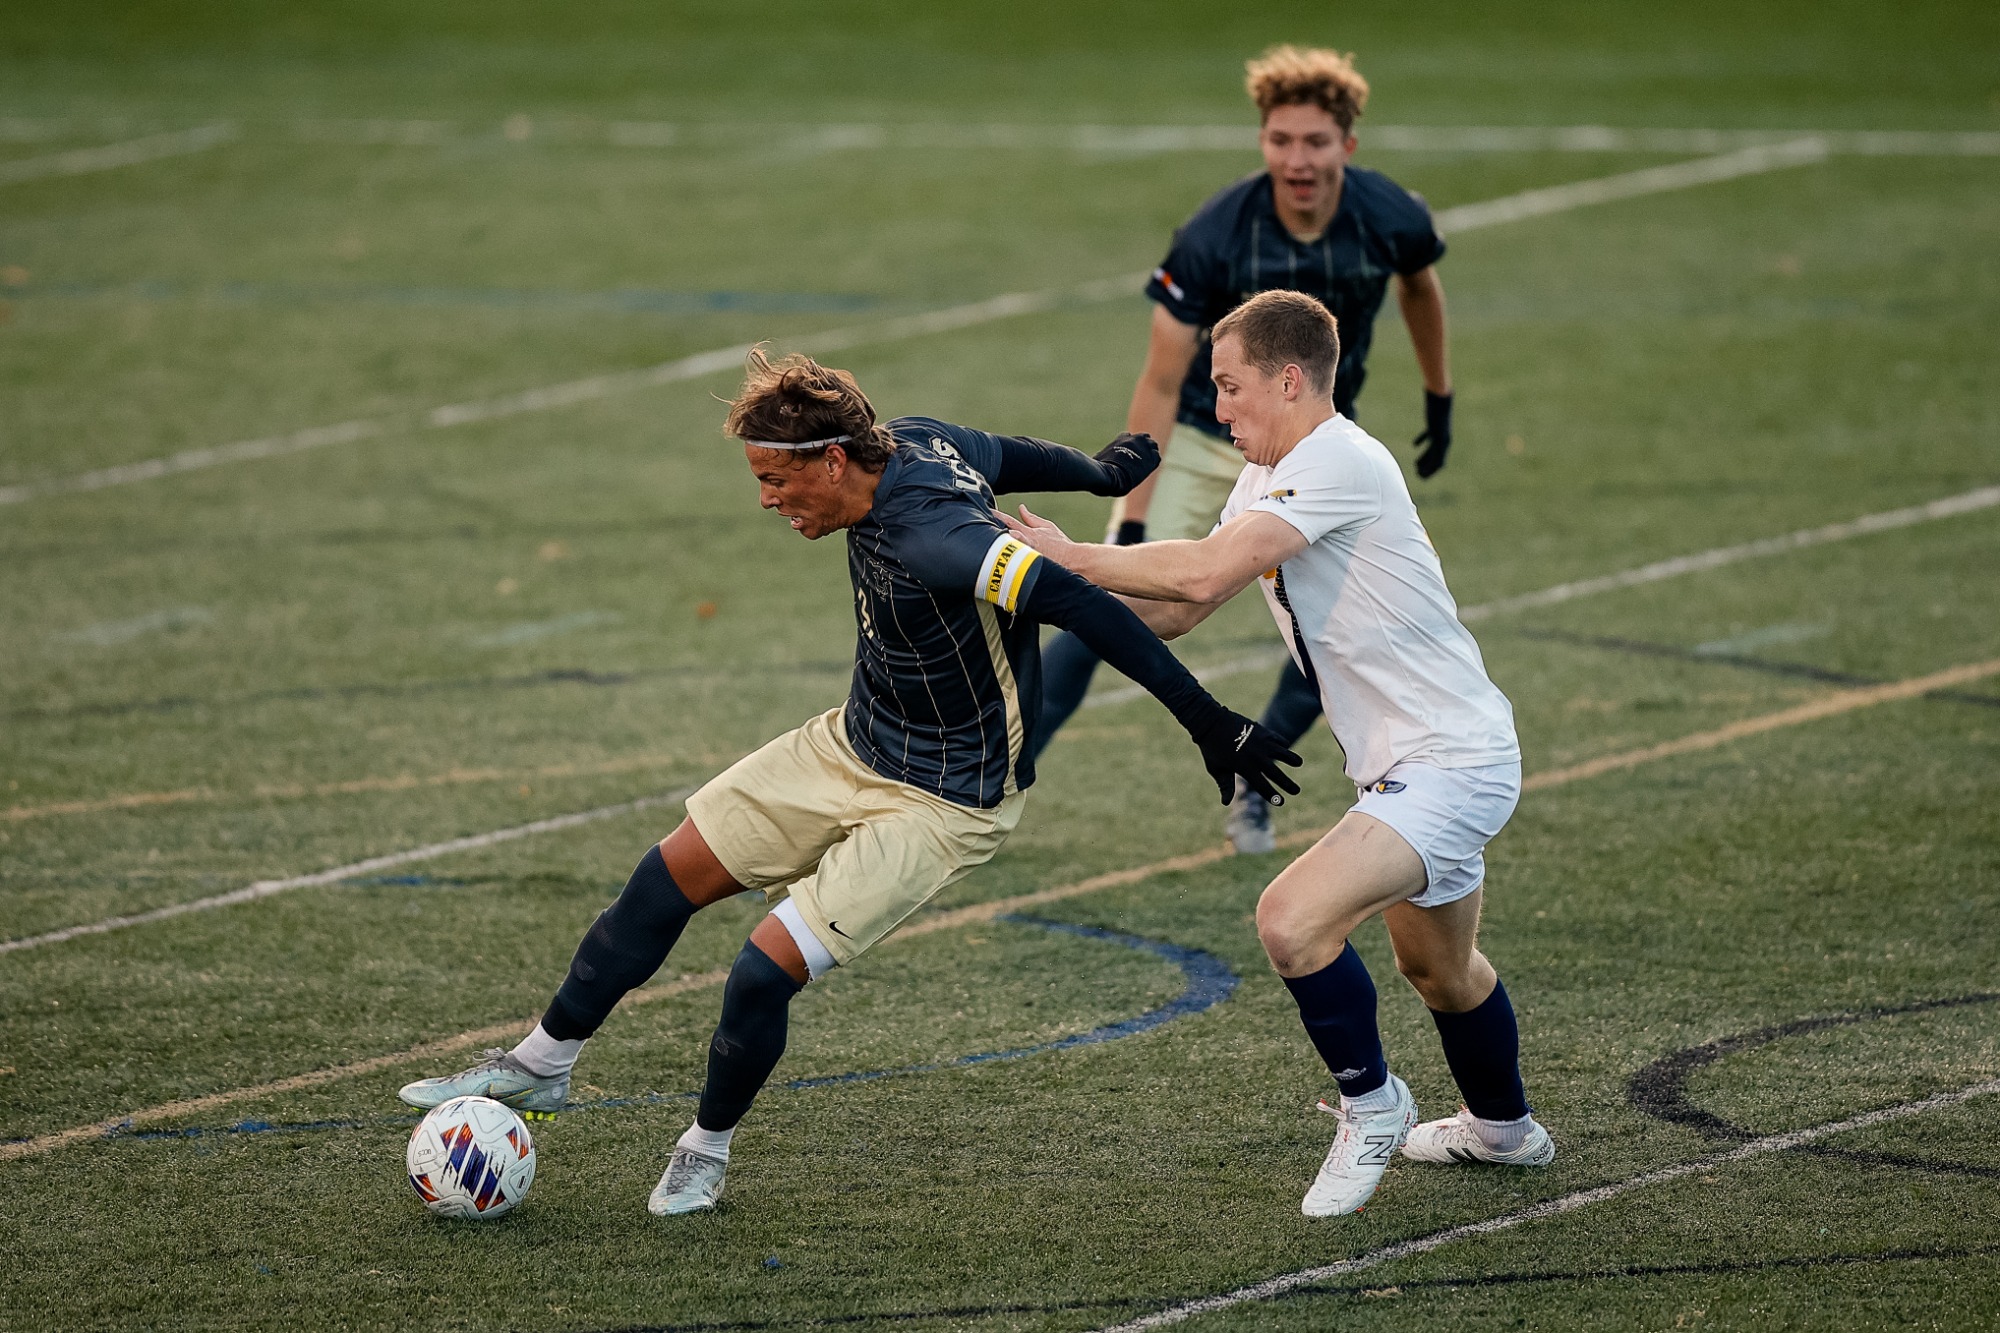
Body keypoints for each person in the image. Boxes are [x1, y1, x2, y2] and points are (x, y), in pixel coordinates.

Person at [398, 350, 1300, 1217]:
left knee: (758, 976)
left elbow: (1083, 605)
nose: (768, 499)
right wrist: (1101, 475)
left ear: (833, 460)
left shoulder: (947, 540)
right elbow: (999, 449)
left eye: (777, 480)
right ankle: (543, 1059)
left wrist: (1209, 722)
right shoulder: (909, 437)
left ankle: (705, 1147)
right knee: (664, 875)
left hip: (945, 799)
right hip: (855, 741)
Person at [1002, 291, 1549, 1218]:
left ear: (1289, 379)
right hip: (1412, 762)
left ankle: (1372, 1104)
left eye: (1230, 386)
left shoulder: (1338, 458)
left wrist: (1072, 560)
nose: (1217, 409)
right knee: (1441, 971)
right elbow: (1180, 608)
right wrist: (1030, 586)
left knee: (1291, 921)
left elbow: (1204, 572)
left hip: (1450, 762)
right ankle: (1505, 1130)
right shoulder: (1267, 478)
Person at [1035, 44, 1457, 858]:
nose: (1297, 160)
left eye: (1315, 141)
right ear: (1262, 142)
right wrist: (1132, 506)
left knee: (1332, 622)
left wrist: (1440, 396)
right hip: (1204, 434)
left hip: (1316, 446)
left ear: (1347, 147)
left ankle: (1253, 781)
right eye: (1280, 140)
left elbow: (1420, 288)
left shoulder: (1390, 217)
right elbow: (1161, 379)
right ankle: (1000, 769)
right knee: (1124, 608)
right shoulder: (1215, 233)